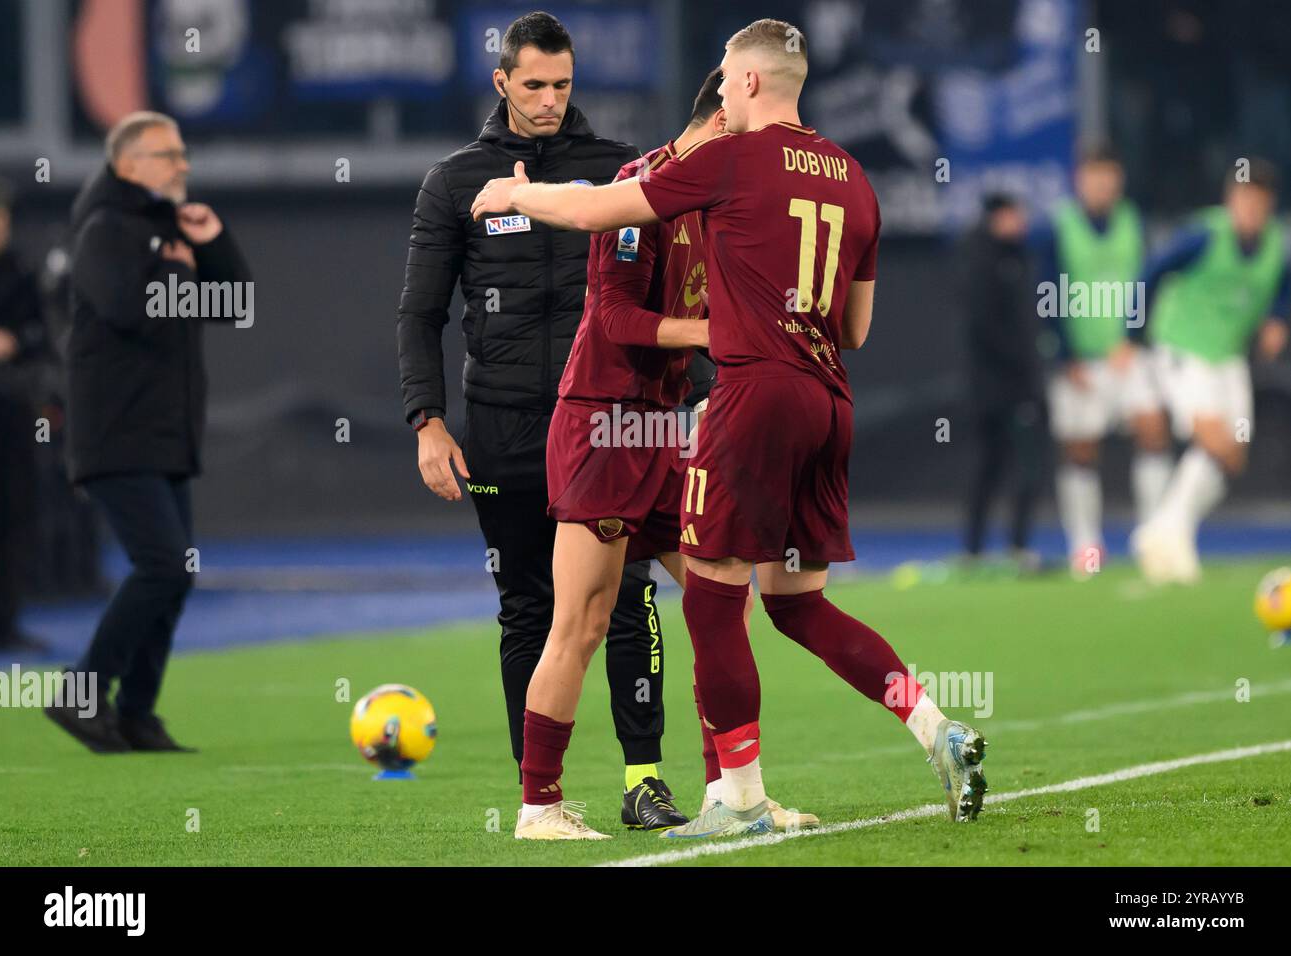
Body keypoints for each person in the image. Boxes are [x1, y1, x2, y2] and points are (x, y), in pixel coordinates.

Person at [473, 18, 989, 839]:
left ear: (741, 87)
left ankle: (736, 796)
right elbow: (852, 328)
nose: (725, 105)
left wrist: (515, 191)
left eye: (728, 80)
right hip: (754, 408)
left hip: (738, 408)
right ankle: (931, 725)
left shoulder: (730, 164)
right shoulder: (853, 176)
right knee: (765, 607)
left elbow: (592, 210)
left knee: (715, 605)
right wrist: (734, 326)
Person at [511, 69, 820, 839]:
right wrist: (714, 336)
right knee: (580, 621)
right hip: (603, 425)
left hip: (663, 428)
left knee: (723, 603)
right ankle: (538, 808)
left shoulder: (720, 207)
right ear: (723, 117)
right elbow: (615, 317)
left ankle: (732, 796)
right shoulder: (638, 189)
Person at [396, 12, 682, 825]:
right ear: (501, 82)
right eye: (534, 86)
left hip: (607, 423)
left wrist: (682, 392)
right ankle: (541, 796)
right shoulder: (454, 183)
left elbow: (664, 291)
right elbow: (419, 315)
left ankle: (644, 783)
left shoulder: (619, 170)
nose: (550, 99)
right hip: (506, 425)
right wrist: (427, 421)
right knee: (525, 605)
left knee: (630, 597)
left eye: (562, 84)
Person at [44, 111, 251, 753]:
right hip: (117, 432)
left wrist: (211, 242)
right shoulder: (105, 226)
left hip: (164, 435)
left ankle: (135, 713)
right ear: (127, 163)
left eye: (183, 153)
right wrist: (180, 272)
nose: (182, 164)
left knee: (174, 571)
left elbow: (236, 302)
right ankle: (82, 693)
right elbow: (126, 308)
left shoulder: (165, 226)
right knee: (161, 566)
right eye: (167, 155)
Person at [1131, 160, 1290, 583]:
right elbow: (1150, 272)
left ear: (1269, 205)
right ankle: (1172, 534)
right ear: (1230, 199)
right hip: (1183, 351)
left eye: (1259, 202)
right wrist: (1132, 335)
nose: (1250, 209)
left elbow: (1283, 288)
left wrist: (1277, 319)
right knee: (1214, 438)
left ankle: (1161, 528)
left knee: (1232, 455)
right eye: (1244, 199)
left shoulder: (1276, 245)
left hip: (1227, 358)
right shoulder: (1203, 234)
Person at [1037, 145, 1170, 576]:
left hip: (1127, 356)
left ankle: (1155, 539)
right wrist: (1063, 354)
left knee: (1152, 428)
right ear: (1080, 180)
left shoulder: (1134, 222)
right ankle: (1086, 548)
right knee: (1080, 449)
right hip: (1079, 361)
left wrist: (1136, 338)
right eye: (1096, 177)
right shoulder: (1058, 227)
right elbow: (1043, 290)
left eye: (1110, 177)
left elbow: (1150, 285)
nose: (1103, 186)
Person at [960, 193, 1047, 567]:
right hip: (997, 387)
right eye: (1013, 214)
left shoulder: (1021, 258)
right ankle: (976, 549)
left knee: (1027, 464)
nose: (1020, 221)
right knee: (992, 466)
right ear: (996, 217)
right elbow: (986, 328)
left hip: (1019, 384)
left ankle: (1017, 545)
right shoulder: (979, 261)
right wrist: (1025, 364)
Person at [0, 177, 50, 653]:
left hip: (10, 413)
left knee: (13, 516)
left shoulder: (23, 274)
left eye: (0, 217)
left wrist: (14, 343)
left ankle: (6, 623)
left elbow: (44, 339)